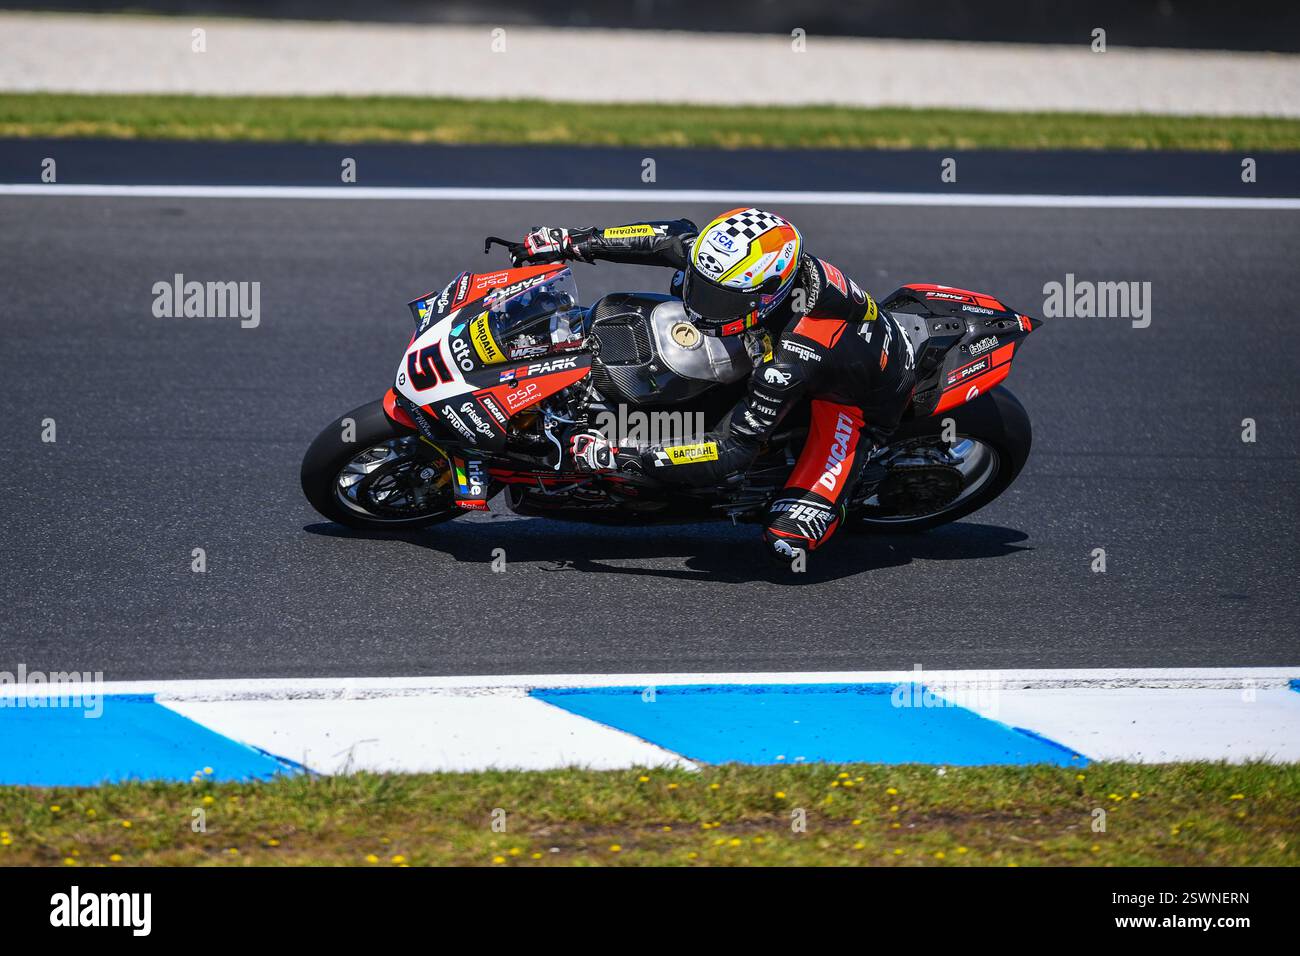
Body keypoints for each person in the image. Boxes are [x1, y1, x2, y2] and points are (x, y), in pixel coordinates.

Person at [515, 208, 915, 565]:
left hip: (856, 404)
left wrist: (618, 455)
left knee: (787, 539)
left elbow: (732, 449)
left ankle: (845, 486)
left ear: (768, 295)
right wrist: (570, 241)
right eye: (702, 287)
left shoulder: (791, 359)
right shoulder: (745, 267)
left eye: (720, 299)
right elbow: (667, 237)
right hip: (783, 345)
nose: (702, 305)